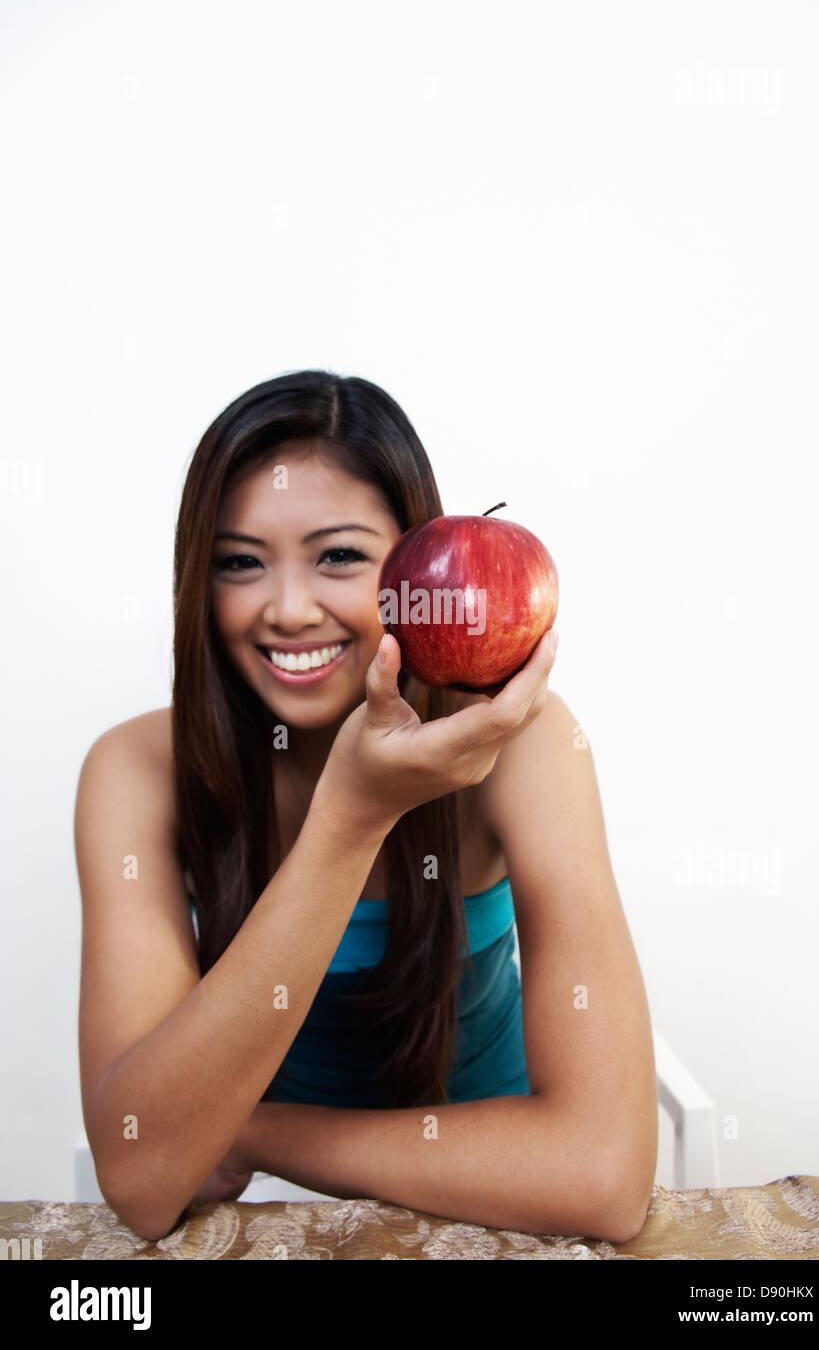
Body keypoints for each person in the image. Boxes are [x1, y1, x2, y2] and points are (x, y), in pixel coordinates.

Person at [74, 369, 657, 1244]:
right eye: (240, 562)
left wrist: (255, 1133)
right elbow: (144, 1177)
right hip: (259, 1231)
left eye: (338, 556)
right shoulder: (134, 770)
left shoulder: (521, 744)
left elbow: (601, 1178)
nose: (288, 609)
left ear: (418, 569)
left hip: (491, 1211)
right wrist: (352, 817)